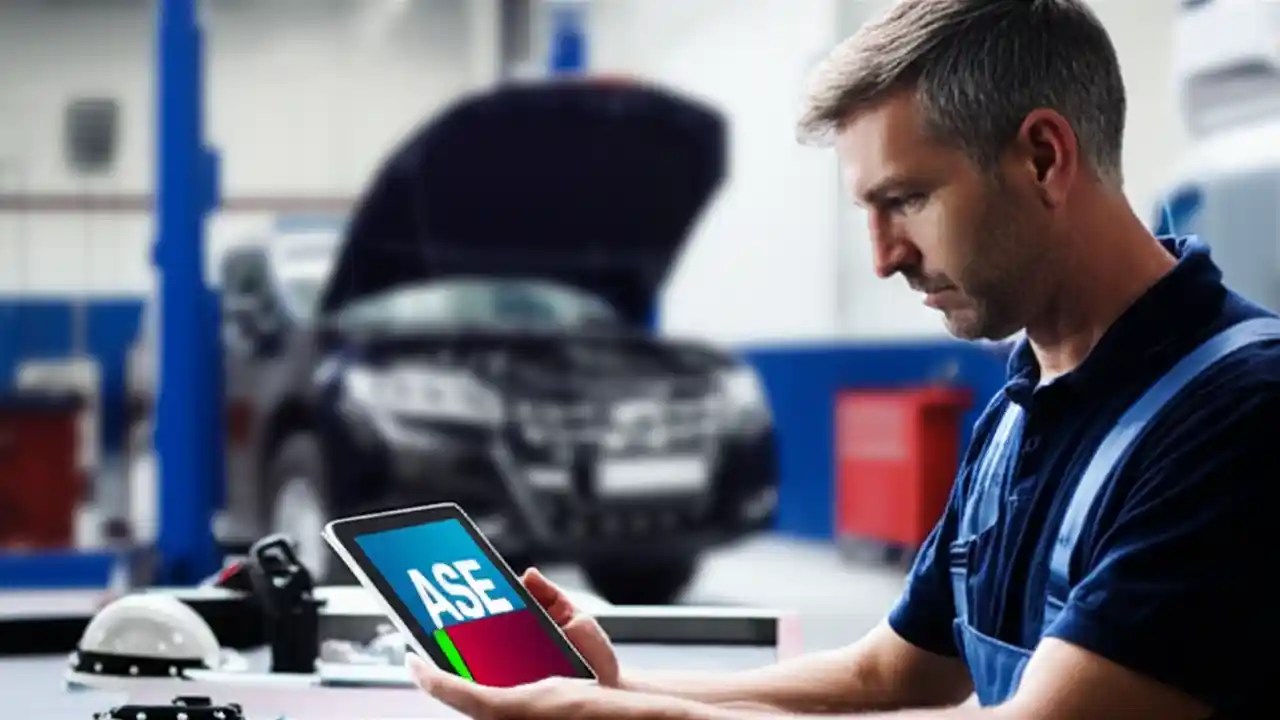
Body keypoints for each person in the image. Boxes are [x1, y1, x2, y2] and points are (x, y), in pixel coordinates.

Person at [408, 0, 1280, 717]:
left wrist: (610, 717)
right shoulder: (1025, 407)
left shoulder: (1241, 414)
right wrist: (621, 682)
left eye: (906, 200)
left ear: (1043, 158)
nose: (883, 257)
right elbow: (895, 672)